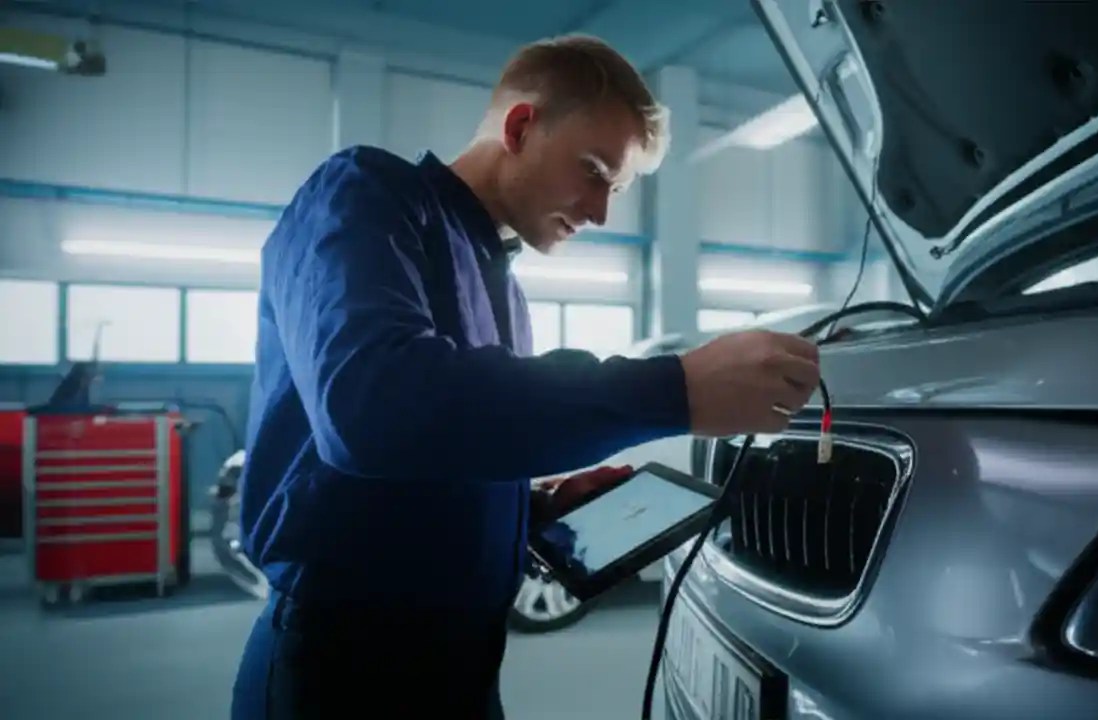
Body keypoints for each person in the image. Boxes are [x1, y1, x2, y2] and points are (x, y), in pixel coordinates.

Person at [230, 33, 821, 720]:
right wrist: (676, 389)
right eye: (595, 170)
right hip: (343, 669)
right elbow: (373, 410)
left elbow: (445, 442)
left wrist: (527, 509)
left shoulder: (503, 288)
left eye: (618, 189)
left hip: (462, 665)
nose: (601, 212)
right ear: (520, 125)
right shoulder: (366, 195)